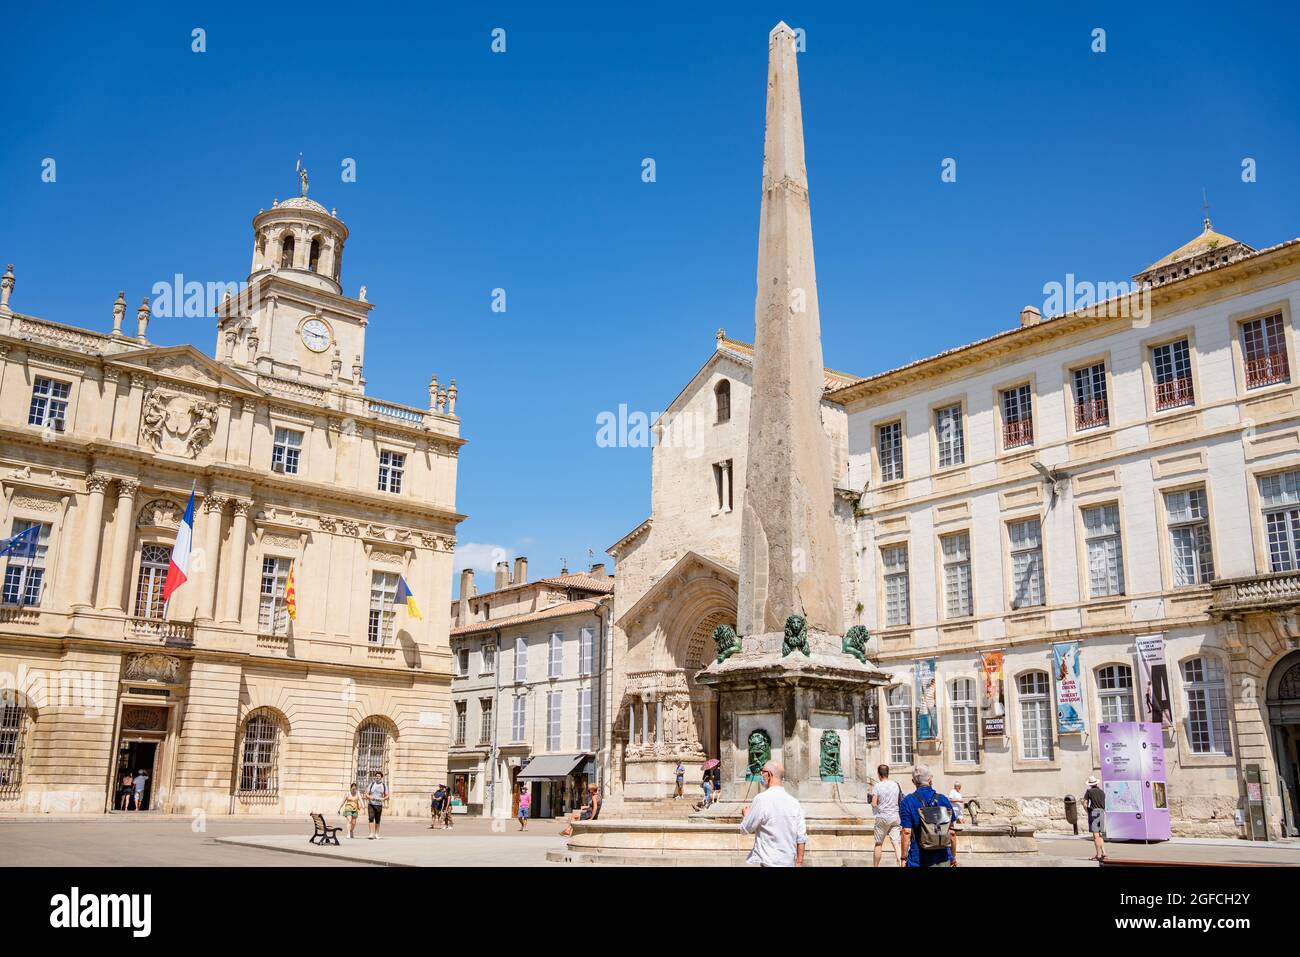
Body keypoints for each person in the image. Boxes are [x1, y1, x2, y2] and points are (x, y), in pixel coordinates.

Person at [739, 760, 807, 867]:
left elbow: (745, 829)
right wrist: (799, 862)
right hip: (789, 863)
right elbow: (801, 837)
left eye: (762, 772)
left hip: (769, 862)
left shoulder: (761, 799)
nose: (761, 775)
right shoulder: (794, 803)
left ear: (769, 774)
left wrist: (746, 815)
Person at [899, 764, 958, 867]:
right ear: (930, 779)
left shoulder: (907, 801)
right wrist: (952, 857)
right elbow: (952, 833)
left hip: (918, 860)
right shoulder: (943, 799)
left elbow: (906, 832)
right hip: (942, 859)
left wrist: (903, 858)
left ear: (913, 782)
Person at [870, 764, 903, 867]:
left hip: (882, 816)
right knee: (896, 843)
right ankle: (901, 864)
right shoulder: (895, 785)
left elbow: (874, 803)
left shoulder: (877, 786)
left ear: (879, 774)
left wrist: (874, 805)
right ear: (888, 773)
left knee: (879, 843)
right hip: (895, 816)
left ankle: (876, 866)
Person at [1084, 775, 1107, 862]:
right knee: (1099, 834)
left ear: (1090, 784)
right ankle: (1104, 852)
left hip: (1094, 813)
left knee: (1095, 835)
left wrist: (1087, 811)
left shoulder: (1089, 791)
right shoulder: (1102, 792)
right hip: (1101, 812)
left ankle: (1098, 854)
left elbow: (1085, 803)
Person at [365, 770, 389, 840]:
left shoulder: (384, 786)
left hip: (379, 805)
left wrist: (383, 799)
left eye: (379, 776)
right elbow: (366, 793)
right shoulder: (372, 784)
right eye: (376, 776)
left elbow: (387, 795)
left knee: (378, 820)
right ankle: (371, 833)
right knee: (371, 818)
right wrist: (369, 797)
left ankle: (376, 834)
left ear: (381, 777)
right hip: (371, 804)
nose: (377, 777)